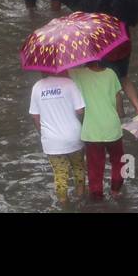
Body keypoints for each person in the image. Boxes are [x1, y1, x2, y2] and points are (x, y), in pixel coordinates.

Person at [28, 72, 86, 205]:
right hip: (73, 137)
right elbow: (80, 111)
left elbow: (35, 116)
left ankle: (64, 203)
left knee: (60, 174)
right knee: (79, 168)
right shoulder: (69, 84)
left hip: (52, 140)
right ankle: (80, 198)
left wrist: (42, 133)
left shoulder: (37, 87)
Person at [71, 61, 126, 200]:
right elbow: (118, 97)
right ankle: (115, 191)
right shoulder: (111, 73)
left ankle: (97, 198)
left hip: (92, 130)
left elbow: (63, 73)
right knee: (118, 161)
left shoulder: (78, 74)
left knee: (95, 168)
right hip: (112, 126)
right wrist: (120, 114)